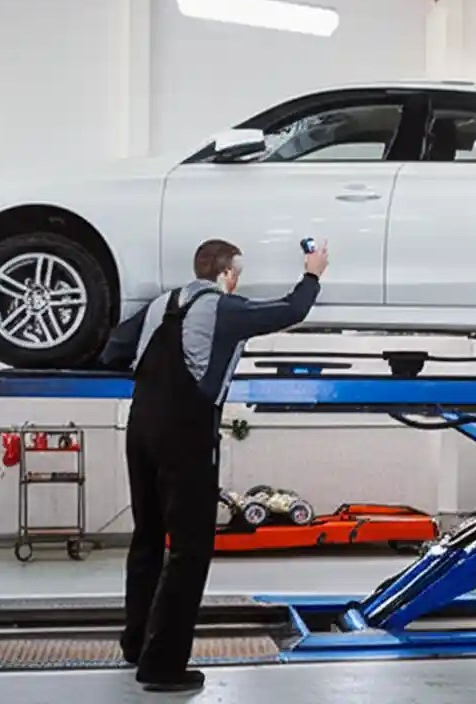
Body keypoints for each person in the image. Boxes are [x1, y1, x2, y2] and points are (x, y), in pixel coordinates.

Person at [120, 238, 328, 691]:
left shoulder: (159, 305)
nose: (238, 280)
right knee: (190, 550)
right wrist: (313, 272)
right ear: (226, 275)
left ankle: (136, 645)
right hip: (185, 435)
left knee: (148, 540)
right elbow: (290, 310)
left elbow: (115, 348)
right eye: (237, 273)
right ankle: (162, 666)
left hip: (139, 429)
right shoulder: (223, 308)